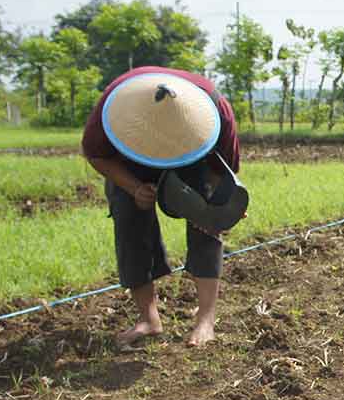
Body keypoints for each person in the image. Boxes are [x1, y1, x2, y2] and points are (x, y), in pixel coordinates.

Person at [82, 67, 241, 348]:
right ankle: (148, 319)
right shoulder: (112, 106)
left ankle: (206, 320)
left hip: (192, 155)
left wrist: (224, 206)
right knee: (129, 219)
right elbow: (96, 154)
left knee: (206, 220)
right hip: (131, 154)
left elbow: (222, 174)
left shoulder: (217, 109)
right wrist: (133, 188)